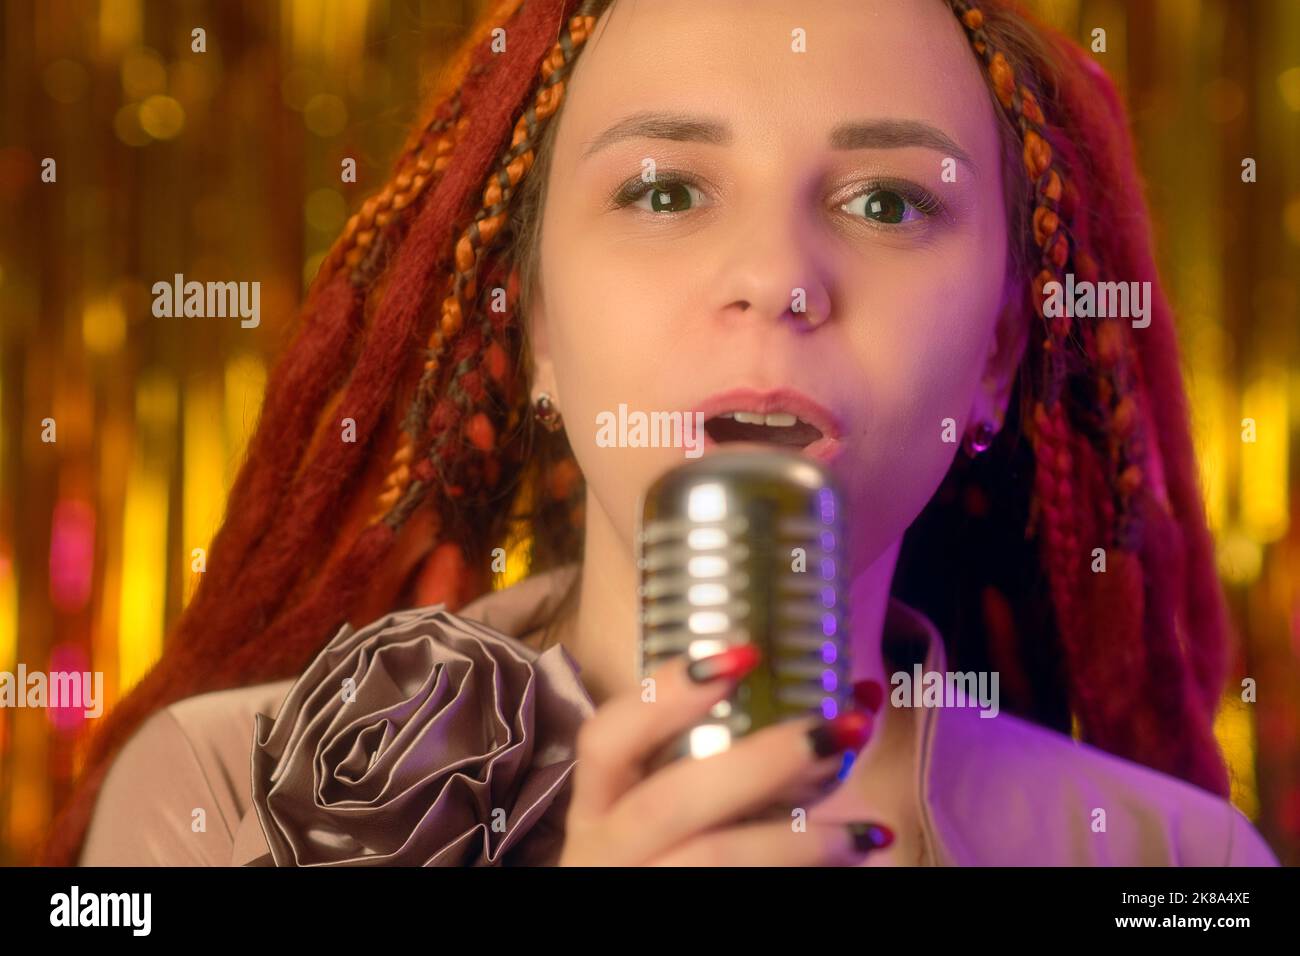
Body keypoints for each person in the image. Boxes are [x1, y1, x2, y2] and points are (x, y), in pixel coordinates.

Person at [50, 0, 1279, 866]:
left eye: (888, 201)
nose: (774, 278)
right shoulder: (218, 797)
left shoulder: (1181, 858)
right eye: (664, 190)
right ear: (529, 321)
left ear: (1001, 354)